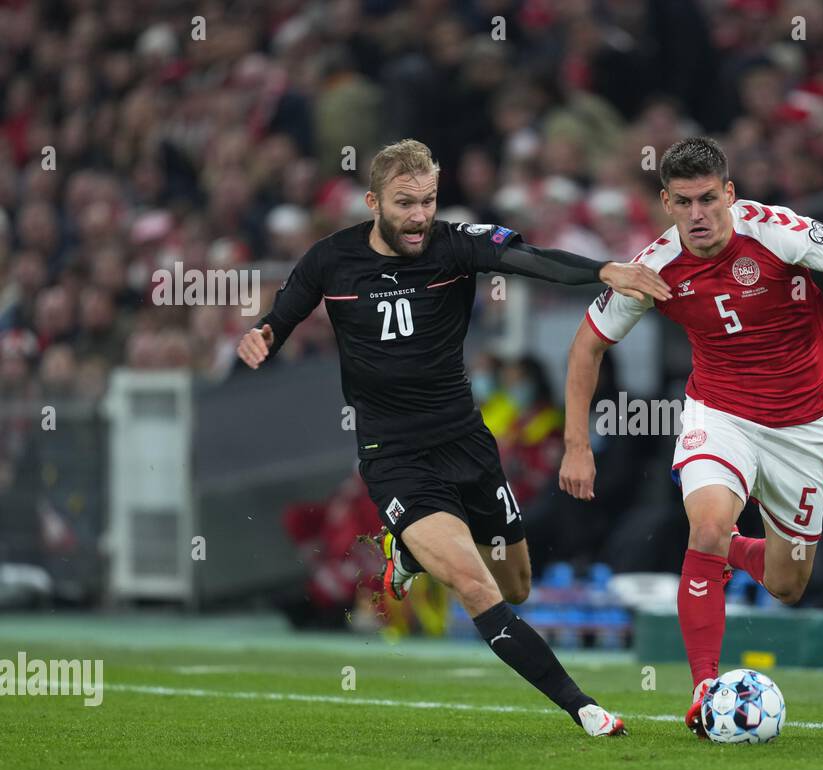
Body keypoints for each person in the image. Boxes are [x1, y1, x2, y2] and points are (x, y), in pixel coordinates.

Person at [237, 139, 672, 737]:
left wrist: (602, 270)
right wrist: (260, 337)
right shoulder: (329, 261)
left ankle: (408, 552)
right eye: (404, 203)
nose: (419, 215)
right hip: (394, 457)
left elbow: (531, 259)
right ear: (373, 202)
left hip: (467, 445)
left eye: (428, 201)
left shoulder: (455, 246)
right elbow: (280, 319)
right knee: (473, 585)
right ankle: (584, 708)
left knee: (513, 585)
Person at [557, 136, 823, 737]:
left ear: (730, 194)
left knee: (790, 583)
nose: (698, 214)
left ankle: (733, 551)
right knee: (707, 524)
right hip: (721, 415)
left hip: (803, 427)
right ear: (665, 202)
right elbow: (587, 345)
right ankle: (704, 689)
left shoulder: (777, 232)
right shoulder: (654, 267)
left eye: (709, 199)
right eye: (684, 202)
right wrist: (577, 445)